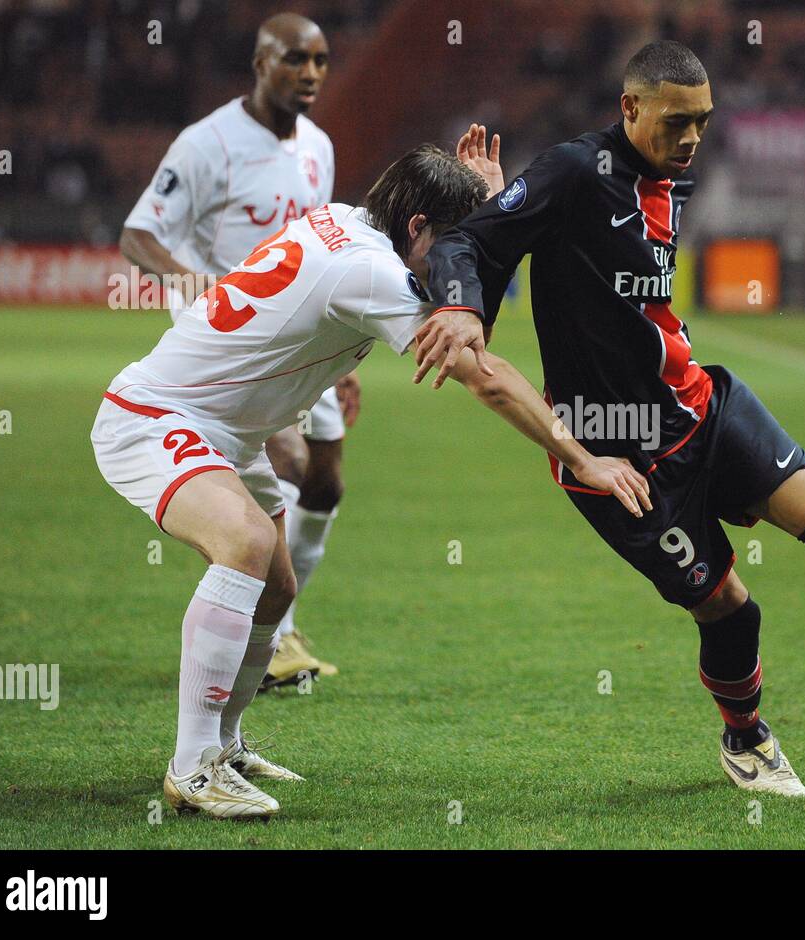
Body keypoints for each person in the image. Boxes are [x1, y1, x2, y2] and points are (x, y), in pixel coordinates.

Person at [416, 41, 805, 798]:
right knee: (731, 607)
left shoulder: (668, 179)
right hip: (615, 458)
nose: (692, 137)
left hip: (703, 405)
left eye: (702, 120)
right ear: (629, 107)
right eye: (676, 121)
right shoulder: (572, 171)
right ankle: (746, 739)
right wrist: (467, 299)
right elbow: (466, 241)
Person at [93, 141, 645, 819]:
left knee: (275, 585)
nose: (454, 265)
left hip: (224, 429)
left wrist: (490, 219)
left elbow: (359, 308)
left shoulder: (343, 224)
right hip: (153, 418)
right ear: (417, 227)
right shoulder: (372, 272)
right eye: (451, 246)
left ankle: (226, 745)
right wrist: (582, 457)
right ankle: (192, 766)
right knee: (243, 542)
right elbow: (481, 368)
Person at [119, 13, 344, 686]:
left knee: (326, 482)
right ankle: (269, 638)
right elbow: (139, 235)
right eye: (294, 60)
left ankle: (279, 626)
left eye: (321, 61)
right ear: (260, 63)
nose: (309, 74)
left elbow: (320, 250)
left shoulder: (318, 147)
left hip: (305, 340)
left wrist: (342, 356)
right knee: (283, 469)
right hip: (238, 349)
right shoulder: (206, 143)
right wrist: (198, 286)